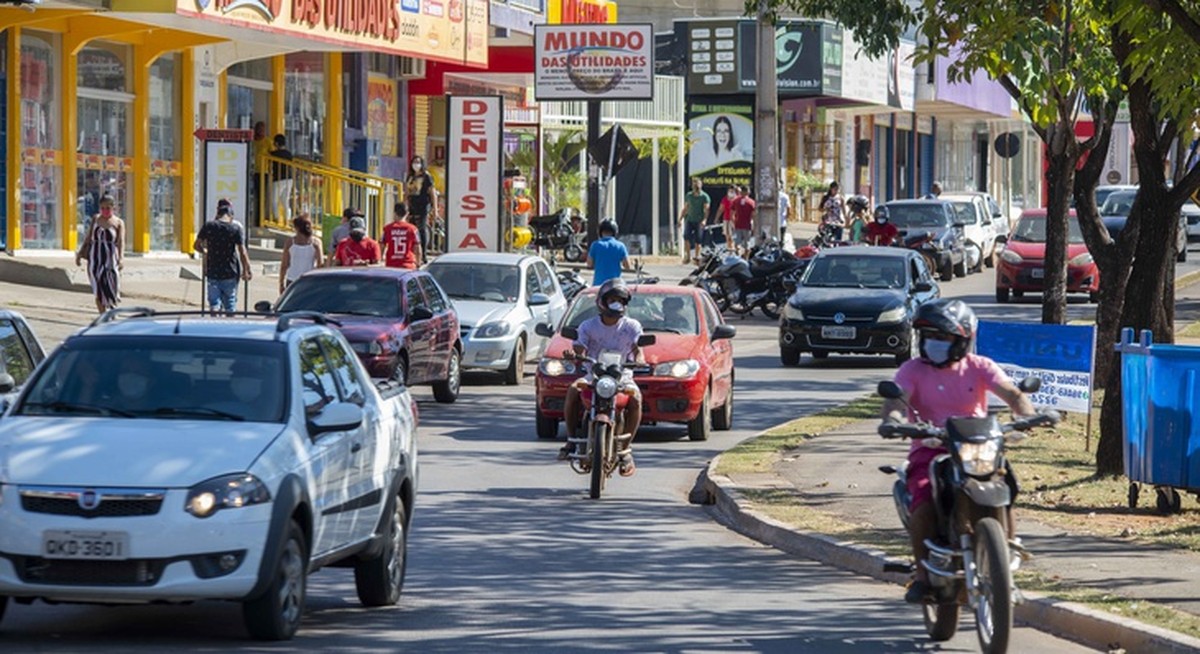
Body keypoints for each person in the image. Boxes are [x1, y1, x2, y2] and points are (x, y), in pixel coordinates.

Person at [879, 299, 1035, 604]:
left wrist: (1027, 415)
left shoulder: (980, 367)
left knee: (1005, 487)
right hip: (930, 449)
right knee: (923, 499)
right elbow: (897, 401)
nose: (935, 343)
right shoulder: (912, 369)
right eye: (930, 337)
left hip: (978, 447)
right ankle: (922, 578)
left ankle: (1006, 563)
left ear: (963, 341)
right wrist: (894, 420)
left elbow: (1013, 395)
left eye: (943, 337)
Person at [558, 279, 645, 476]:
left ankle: (625, 450)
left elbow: (637, 350)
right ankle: (571, 442)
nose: (616, 304)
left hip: (622, 377)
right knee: (573, 389)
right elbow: (579, 347)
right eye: (612, 299)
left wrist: (639, 360)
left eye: (620, 301)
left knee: (637, 399)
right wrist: (574, 354)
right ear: (602, 302)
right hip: (593, 376)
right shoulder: (588, 326)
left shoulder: (632, 326)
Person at [195, 199, 253, 316]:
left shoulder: (209, 226)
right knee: (230, 303)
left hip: (213, 270)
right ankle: (229, 326)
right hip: (230, 271)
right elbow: (242, 251)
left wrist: (205, 252)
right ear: (230, 215)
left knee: (214, 303)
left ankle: (214, 322)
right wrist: (247, 269)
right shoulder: (235, 228)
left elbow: (196, 245)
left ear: (218, 213)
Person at [75, 194, 124, 314]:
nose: (105, 211)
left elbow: (121, 241)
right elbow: (88, 237)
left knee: (111, 287)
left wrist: (121, 259)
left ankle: (112, 313)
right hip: (95, 258)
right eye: (102, 208)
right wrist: (80, 253)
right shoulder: (96, 219)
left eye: (108, 208)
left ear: (113, 208)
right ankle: (102, 316)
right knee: (98, 288)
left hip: (110, 259)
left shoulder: (118, 222)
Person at [279, 213, 324, 294]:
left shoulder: (290, 242)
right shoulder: (316, 243)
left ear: (296, 228)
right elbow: (320, 265)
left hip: (292, 279)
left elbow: (284, 265)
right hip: (309, 279)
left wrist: (281, 283)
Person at [405, 155, 438, 262]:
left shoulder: (427, 176)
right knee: (412, 230)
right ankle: (413, 253)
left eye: (418, 162)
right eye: (414, 162)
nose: (416, 164)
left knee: (422, 229)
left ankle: (423, 254)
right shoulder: (410, 177)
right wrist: (405, 206)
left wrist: (435, 209)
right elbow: (407, 192)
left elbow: (432, 193)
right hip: (412, 207)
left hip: (423, 206)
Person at [586, 219, 633, 285]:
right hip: (615, 285)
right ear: (615, 231)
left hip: (599, 285)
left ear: (600, 231)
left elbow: (589, 264)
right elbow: (628, 266)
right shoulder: (620, 246)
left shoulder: (595, 245)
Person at [381, 201, 422, 270]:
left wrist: (381, 257)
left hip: (391, 265)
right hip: (408, 265)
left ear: (394, 213)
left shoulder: (387, 229)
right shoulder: (413, 229)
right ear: (407, 214)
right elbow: (418, 249)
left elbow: (382, 245)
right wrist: (418, 263)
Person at [679, 177, 709, 264]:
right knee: (686, 236)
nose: (696, 187)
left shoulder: (704, 197)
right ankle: (687, 256)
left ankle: (696, 257)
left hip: (699, 221)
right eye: (694, 185)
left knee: (698, 240)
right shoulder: (689, 196)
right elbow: (686, 208)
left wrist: (704, 220)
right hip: (690, 219)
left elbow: (706, 209)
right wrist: (680, 219)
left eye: (697, 185)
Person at [269, 134, 294, 223]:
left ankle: (276, 219)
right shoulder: (289, 154)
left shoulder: (274, 154)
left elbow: (268, 158)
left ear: (276, 143)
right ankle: (287, 220)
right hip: (289, 179)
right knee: (285, 200)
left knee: (274, 200)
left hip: (278, 179)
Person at [729, 185, 756, 254]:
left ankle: (738, 257)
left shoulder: (736, 201)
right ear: (747, 192)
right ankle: (745, 259)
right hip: (747, 225)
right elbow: (753, 215)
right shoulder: (751, 202)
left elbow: (731, 213)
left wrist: (733, 222)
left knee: (737, 243)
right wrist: (753, 224)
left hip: (738, 225)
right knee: (747, 244)